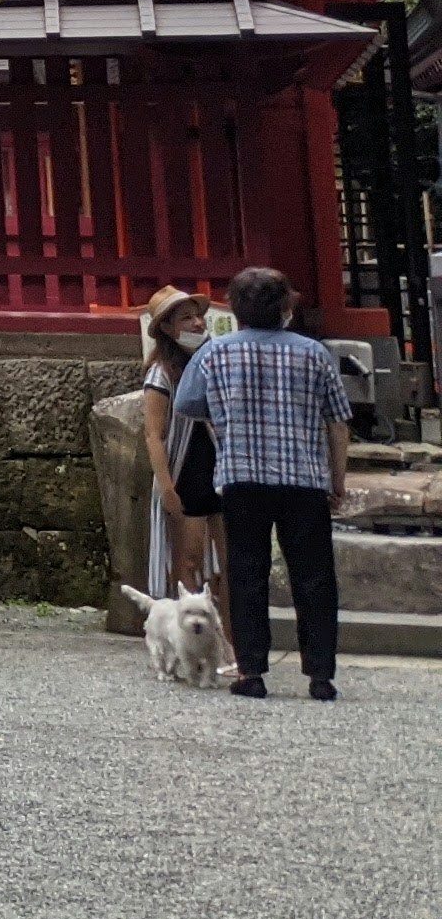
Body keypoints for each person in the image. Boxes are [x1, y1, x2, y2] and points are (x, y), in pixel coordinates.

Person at [171, 263, 353, 700]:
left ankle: (251, 671)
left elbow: (187, 404)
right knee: (313, 576)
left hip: (242, 477)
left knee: (246, 573)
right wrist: (337, 480)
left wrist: (229, 412)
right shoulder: (314, 353)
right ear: (286, 307)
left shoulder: (214, 353)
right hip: (304, 478)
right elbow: (338, 422)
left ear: (234, 309)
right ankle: (321, 674)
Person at [136, 286, 221, 616]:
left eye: (198, 316)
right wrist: (167, 488)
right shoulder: (162, 373)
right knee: (189, 559)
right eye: (186, 318)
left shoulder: (214, 362)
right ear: (168, 329)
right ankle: (185, 634)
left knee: (224, 565)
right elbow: (153, 435)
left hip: (217, 464)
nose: (198, 324)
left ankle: (226, 640)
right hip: (183, 468)